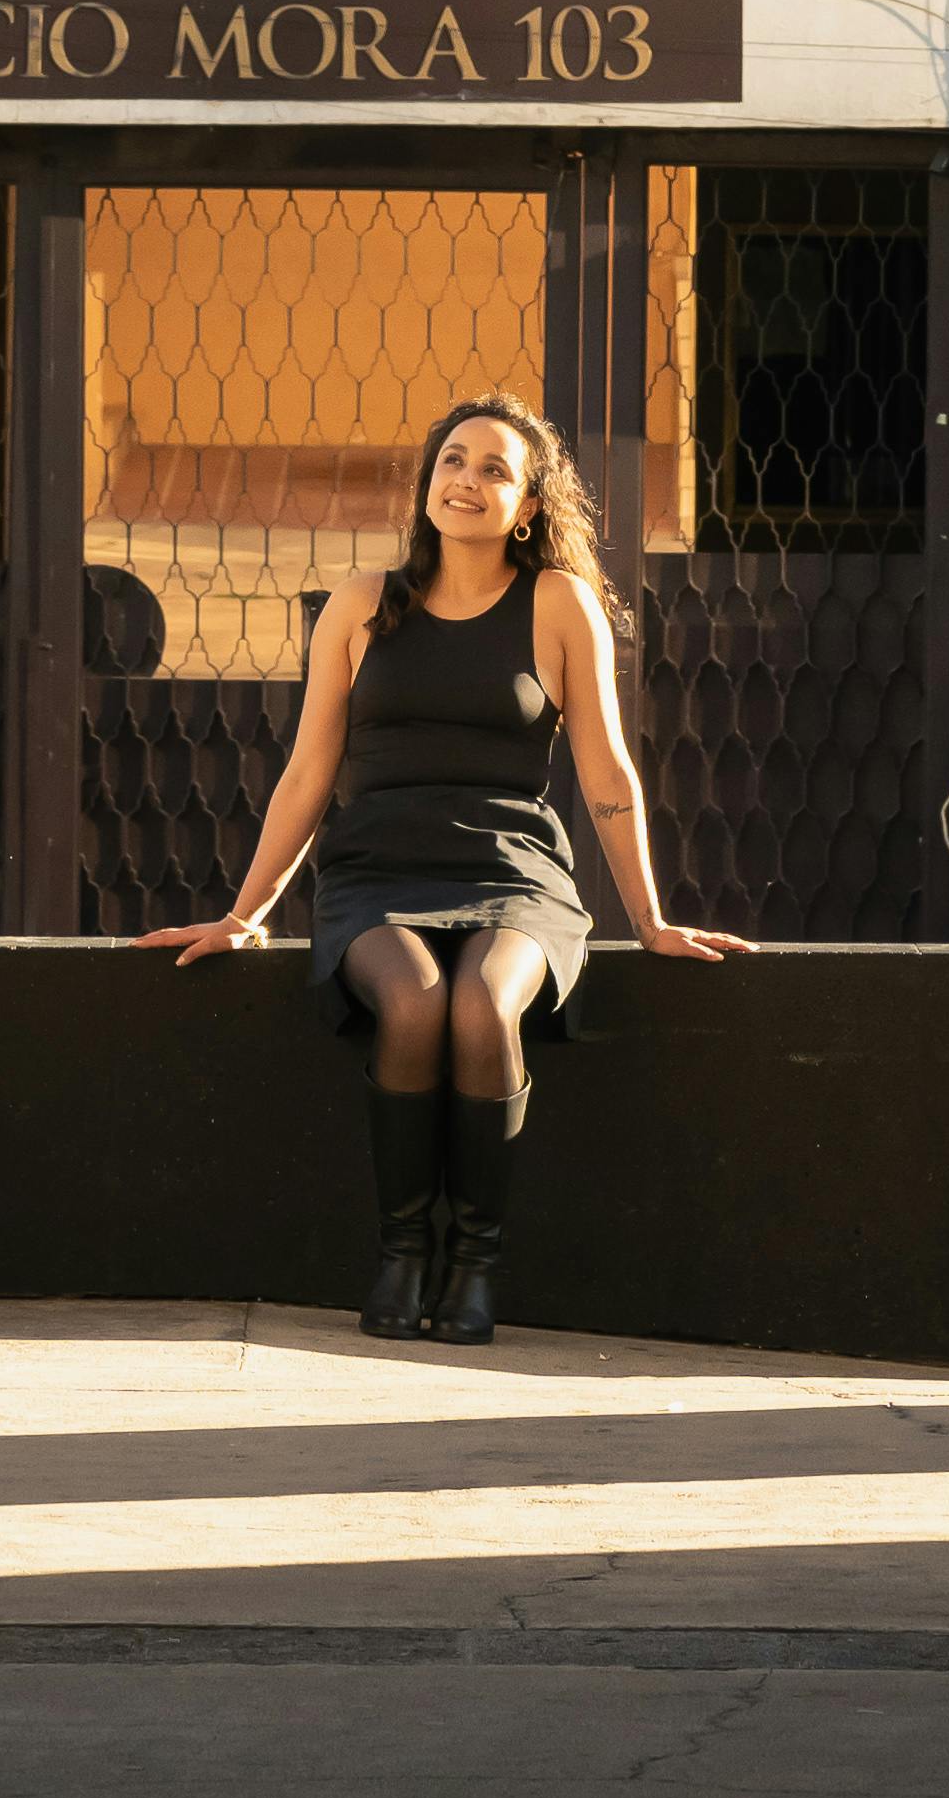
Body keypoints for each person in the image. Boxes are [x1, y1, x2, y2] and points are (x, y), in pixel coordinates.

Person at [154, 388, 741, 1342]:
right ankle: (402, 1252)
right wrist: (243, 912)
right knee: (416, 999)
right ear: (428, 481)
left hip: (514, 870)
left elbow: (605, 768)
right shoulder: (359, 604)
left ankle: (473, 1263)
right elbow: (307, 771)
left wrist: (649, 920)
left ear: (529, 504)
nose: (466, 480)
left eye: (494, 469)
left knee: (481, 1002)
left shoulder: (559, 602)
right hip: (376, 868)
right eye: (453, 460)